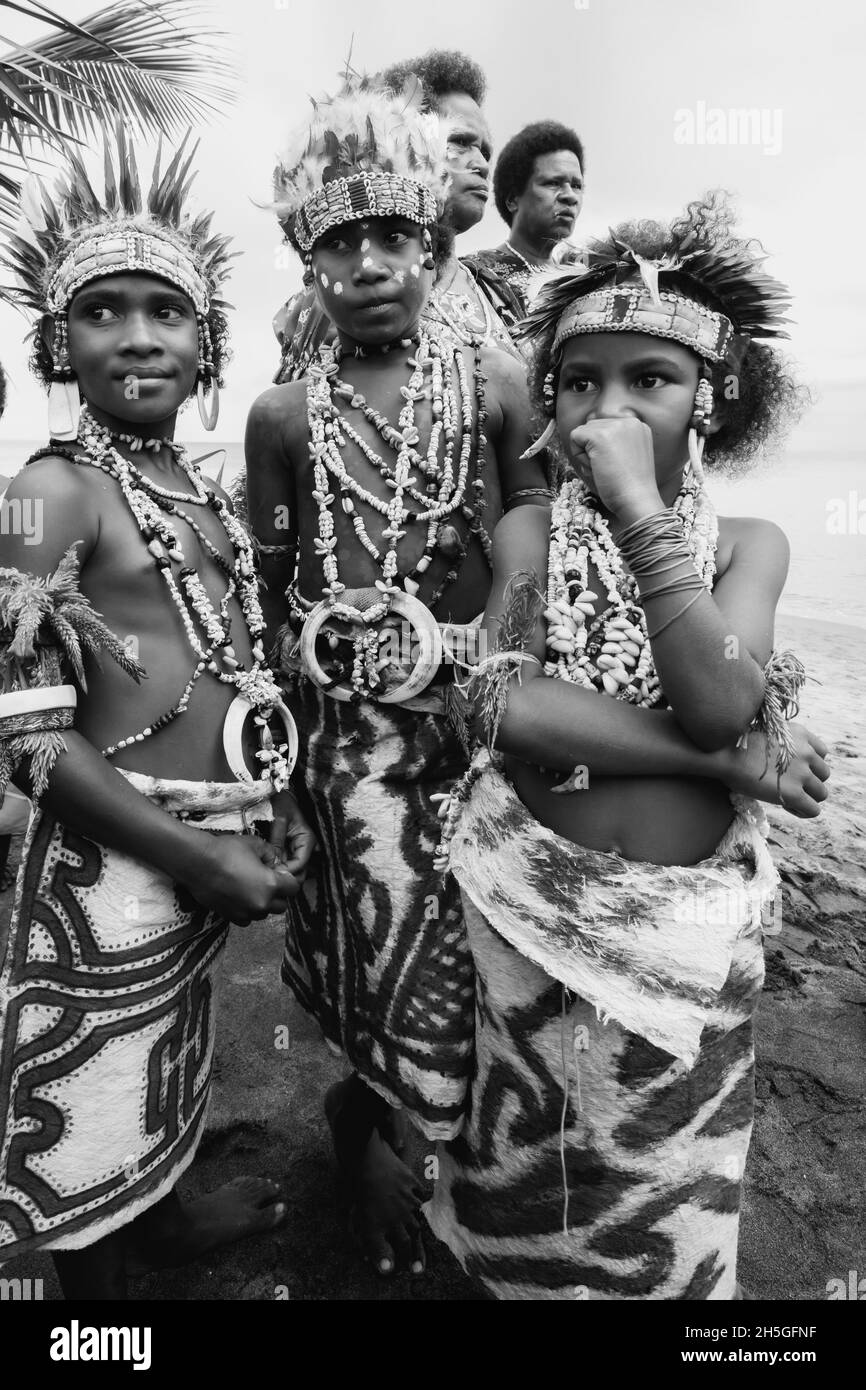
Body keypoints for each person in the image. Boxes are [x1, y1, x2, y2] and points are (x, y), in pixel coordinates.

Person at [425, 194, 830, 1299]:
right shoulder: (521, 533)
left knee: (667, 1193)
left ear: (711, 401)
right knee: (528, 1177)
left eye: (646, 380)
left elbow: (716, 696)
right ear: (547, 402)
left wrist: (641, 514)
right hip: (528, 923)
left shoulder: (748, 544)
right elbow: (504, 705)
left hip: (684, 940)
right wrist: (725, 762)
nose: (606, 405)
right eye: (577, 381)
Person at [245, 76, 552, 1278]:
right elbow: (272, 591)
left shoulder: (492, 379)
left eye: (392, 238)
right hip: (349, 743)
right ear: (309, 263)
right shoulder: (281, 414)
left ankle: (439, 1153)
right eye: (338, 243)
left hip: (471, 722)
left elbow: (528, 509)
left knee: (476, 950)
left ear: (432, 247)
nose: (368, 263)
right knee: (379, 951)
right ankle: (370, 1127)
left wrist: (495, 641)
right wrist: (318, 648)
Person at [0, 128, 314, 1299]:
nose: (138, 338)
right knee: (94, 1086)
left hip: (207, 831)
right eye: (103, 313)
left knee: (169, 1055)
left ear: (205, 342)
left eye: (166, 314)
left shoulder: (203, 490)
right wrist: (191, 853)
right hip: (111, 859)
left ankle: (165, 1214)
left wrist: (256, 816)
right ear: (58, 341)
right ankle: (101, 1292)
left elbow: (230, 661)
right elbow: (27, 736)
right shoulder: (49, 490)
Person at [270, 51, 521, 387]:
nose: (482, 164)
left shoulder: (498, 291)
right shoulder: (335, 305)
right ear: (405, 145)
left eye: (485, 150)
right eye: (461, 142)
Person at [469, 120, 585, 315]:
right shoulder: (475, 275)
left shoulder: (581, 278)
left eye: (576, 186)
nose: (570, 196)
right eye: (553, 183)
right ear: (513, 200)